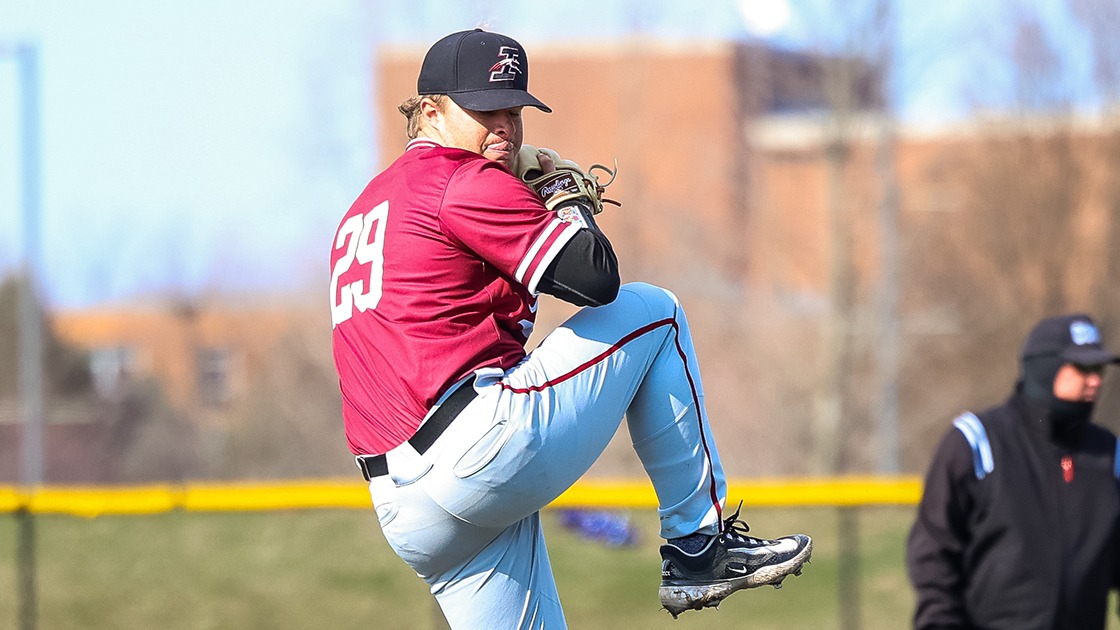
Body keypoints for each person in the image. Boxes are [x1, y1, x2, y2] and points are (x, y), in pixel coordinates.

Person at [328, 28, 812, 628]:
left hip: (407, 509)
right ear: (430, 112)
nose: (504, 127)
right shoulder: (459, 178)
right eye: (484, 109)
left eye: (514, 109)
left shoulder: (366, 207)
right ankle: (697, 547)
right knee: (654, 312)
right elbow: (594, 277)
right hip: (474, 452)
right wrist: (563, 197)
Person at [907, 313, 1120, 629]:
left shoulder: (1109, 455)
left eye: (1099, 369)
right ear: (1045, 369)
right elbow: (934, 555)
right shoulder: (977, 442)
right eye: (1083, 368)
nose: (1096, 380)